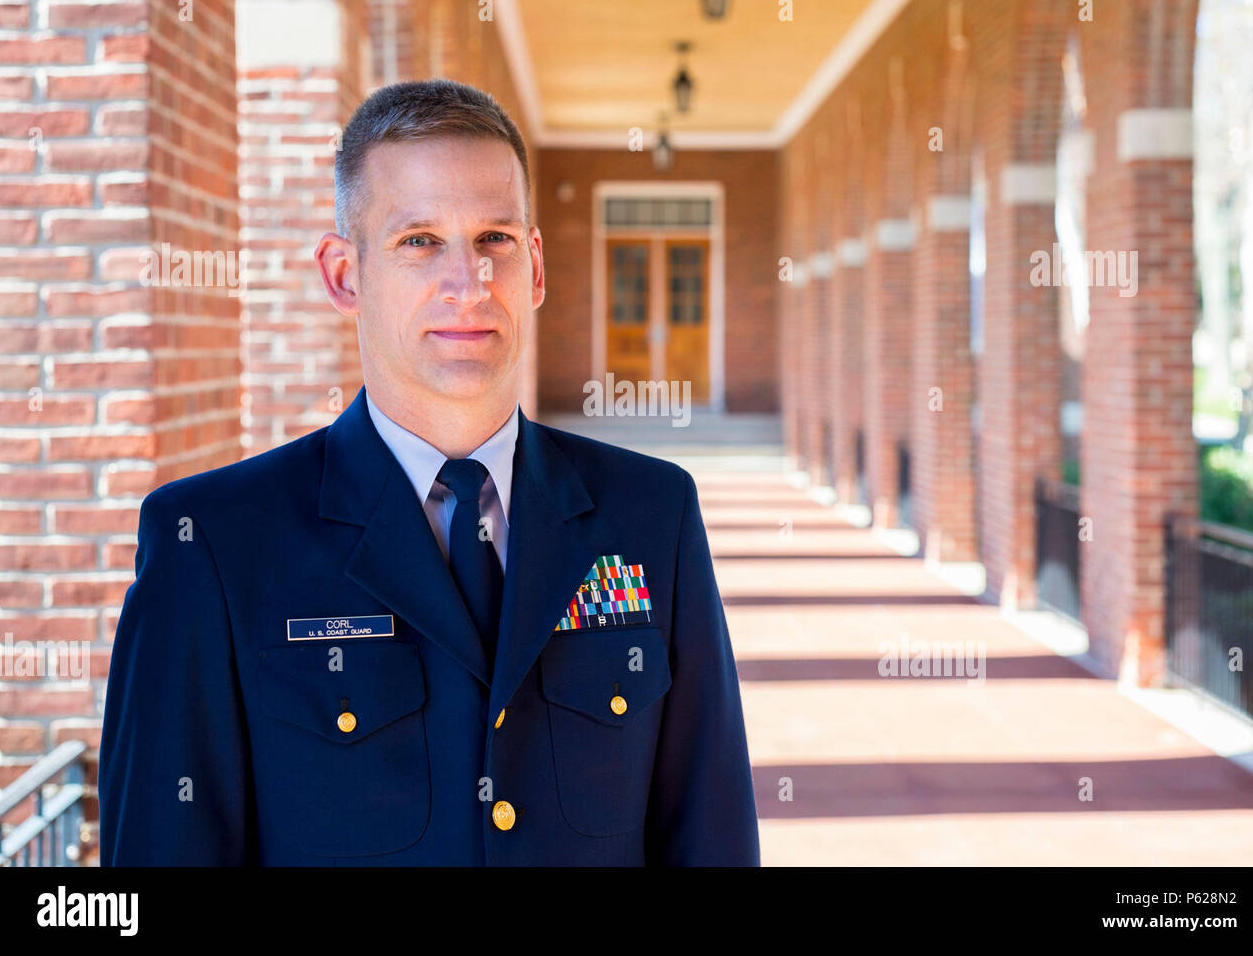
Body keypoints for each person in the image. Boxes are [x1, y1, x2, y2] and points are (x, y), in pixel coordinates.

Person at [97, 78, 760, 866]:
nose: (468, 284)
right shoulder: (213, 545)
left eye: (494, 239)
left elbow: (711, 829)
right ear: (344, 274)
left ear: (534, 267)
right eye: (419, 241)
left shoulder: (652, 514)